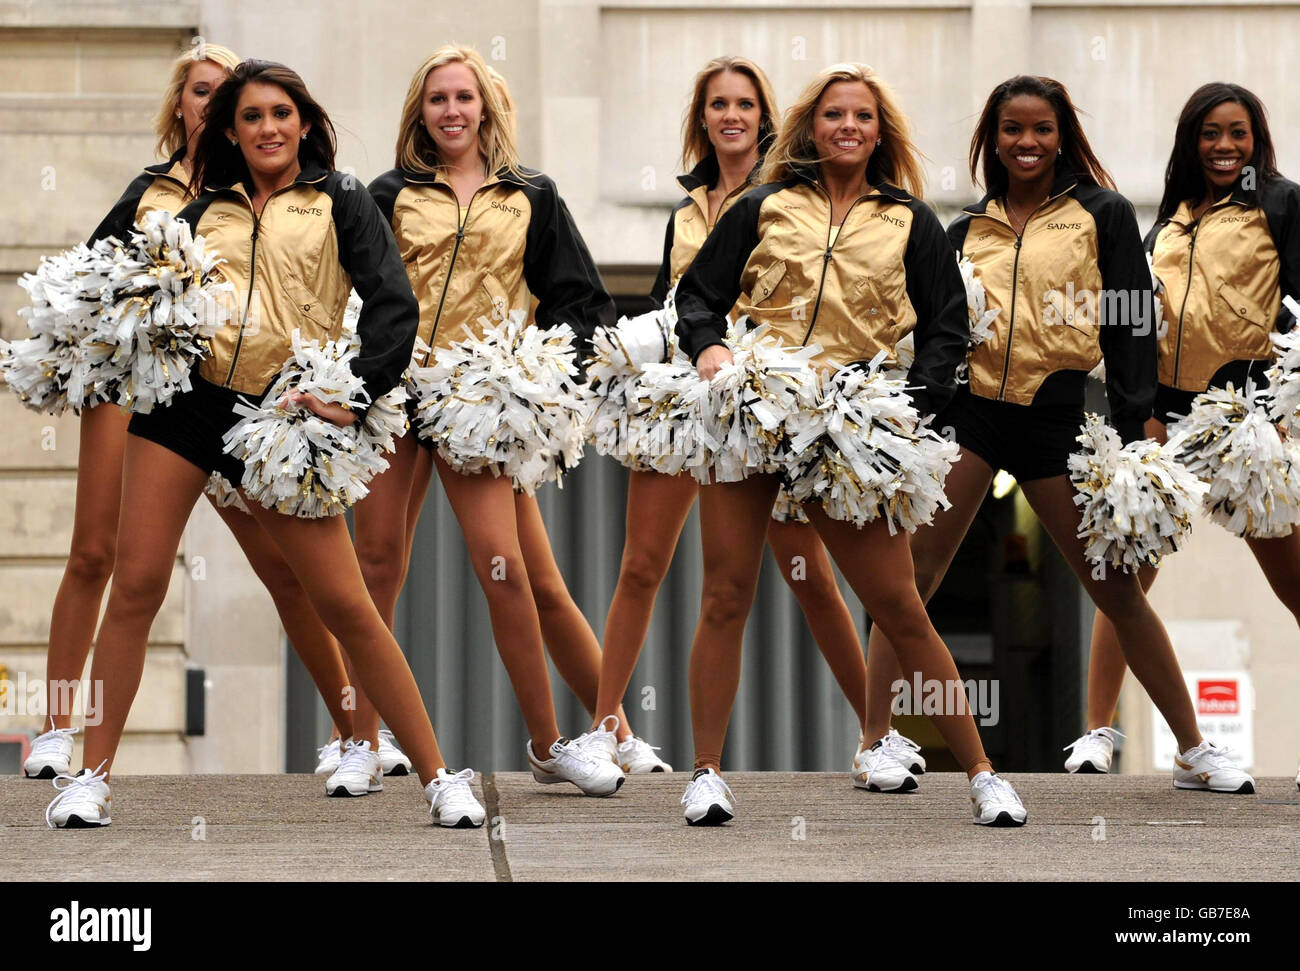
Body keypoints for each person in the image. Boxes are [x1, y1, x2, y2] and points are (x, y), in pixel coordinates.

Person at [44, 59, 483, 830]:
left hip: (280, 415)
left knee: (345, 603)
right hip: (186, 405)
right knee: (137, 584)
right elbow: (107, 278)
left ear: (304, 121)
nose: (268, 128)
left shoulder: (339, 199)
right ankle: (90, 776)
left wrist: (352, 394)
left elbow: (393, 304)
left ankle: (440, 775)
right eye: (250, 117)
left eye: (281, 113)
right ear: (231, 132)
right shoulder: (200, 204)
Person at [858, 75, 1254, 796]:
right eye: (1012, 129)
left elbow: (1132, 324)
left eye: (1041, 129)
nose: (1027, 142)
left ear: (1061, 135)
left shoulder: (1099, 214)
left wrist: (1140, 429)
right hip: (970, 416)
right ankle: (874, 741)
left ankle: (1193, 747)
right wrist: (915, 409)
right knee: (906, 579)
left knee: (1116, 588)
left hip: (1055, 414)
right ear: (993, 138)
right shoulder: (961, 229)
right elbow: (938, 330)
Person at [672, 62, 1027, 826]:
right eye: (834, 114)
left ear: (878, 131)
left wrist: (912, 400)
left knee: (899, 604)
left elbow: (946, 328)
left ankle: (983, 772)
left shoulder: (909, 220)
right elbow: (697, 295)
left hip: (850, 425)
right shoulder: (763, 206)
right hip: (756, 411)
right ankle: (704, 772)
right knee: (726, 593)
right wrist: (709, 350)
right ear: (811, 127)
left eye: (862, 117)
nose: (847, 127)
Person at [21, 44, 355, 787]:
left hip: (224, 396)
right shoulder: (149, 191)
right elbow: (85, 283)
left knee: (286, 570)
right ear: (181, 105)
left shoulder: (266, 190)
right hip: (139, 393)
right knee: (95, 555)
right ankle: (53, 731)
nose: (211, 104)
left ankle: (351, 730)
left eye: (224, 94)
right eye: (201, 92)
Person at [593, 55, 876, 779]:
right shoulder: (685, 207)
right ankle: (606, 730)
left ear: (764, 116)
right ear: (703, 117)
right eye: (718, 103)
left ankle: (877, 737)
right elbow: (675, 298)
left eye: (745, 104)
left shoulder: (788, 194)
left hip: (760, 406)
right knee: (640, 564)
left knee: (809, 572)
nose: (731, 115)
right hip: (685, 403)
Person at [365, 45, 629, 795]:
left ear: (486, 107)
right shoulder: (388, 193)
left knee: (503, 568)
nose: (452, 111)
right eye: (438, 99)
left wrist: (542, 372)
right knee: (375, 566)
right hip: (393, 390)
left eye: (464, 98)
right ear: (421, 111)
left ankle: (547, 746)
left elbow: (582, 300)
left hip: (477, 400)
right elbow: (355, 289)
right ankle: (355, 737)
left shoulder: (532, 196)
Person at [1072, 82, 1300, 782]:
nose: (1224, 145)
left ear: (1256, 138)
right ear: (1190, 141)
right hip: (1162, 417)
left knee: (1294, 581)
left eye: (1237, 132)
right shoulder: (1166, 219)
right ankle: (1099, 733)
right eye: (1209, 133)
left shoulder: (1283, 203)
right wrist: (1137, 412)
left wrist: (1284, 408)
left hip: (1242, 413)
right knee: (1124, 574)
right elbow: (1137, 318)